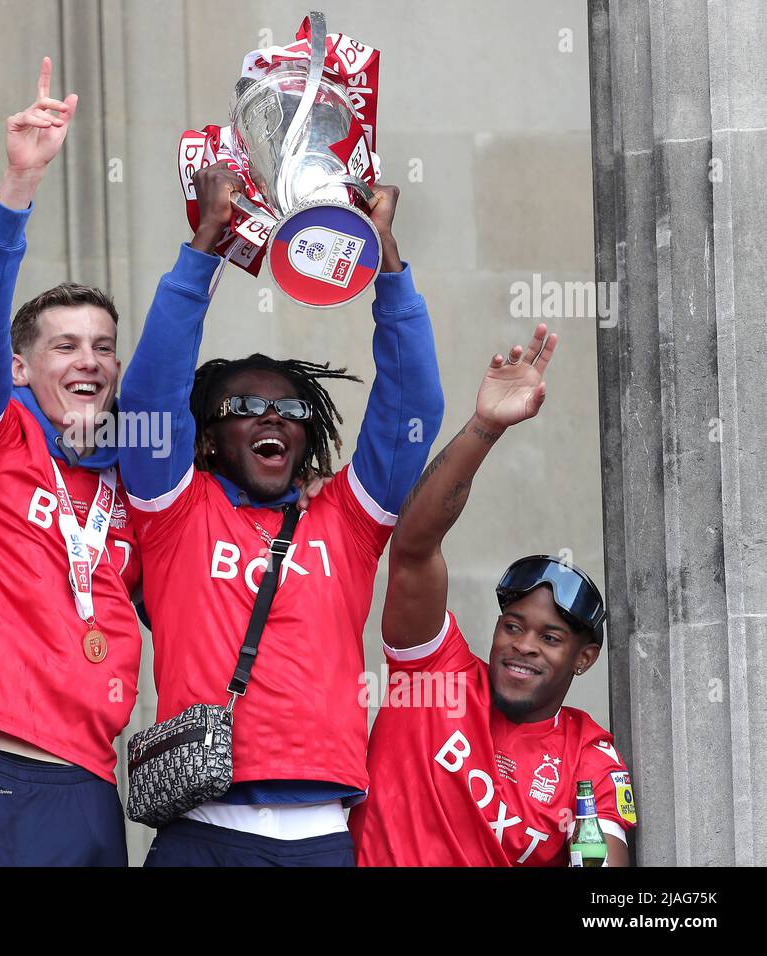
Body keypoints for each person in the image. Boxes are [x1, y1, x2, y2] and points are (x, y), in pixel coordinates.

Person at [119, 162, 444, 866]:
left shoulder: (347, 520)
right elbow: (148, 400)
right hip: (200, 830)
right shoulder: (176, 511)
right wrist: (204, 245)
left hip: (322, 838)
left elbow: (413, 411)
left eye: (292, 408)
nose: (274, 417)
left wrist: (386, 261)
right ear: (208, 437)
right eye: (245, 408)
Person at [0, 58, 139, 866]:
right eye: (65, 346)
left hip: (93, 780)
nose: (88, 362)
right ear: (21, 367)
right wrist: (19, 184)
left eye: (103, 348)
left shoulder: (127, 474)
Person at [350, 324, 636, 866]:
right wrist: (485, 426)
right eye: (513, 626)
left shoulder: (586, 752)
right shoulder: (436, 674)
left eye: (550, 637)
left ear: (584, 658)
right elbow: (412, 545)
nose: (524, 645)